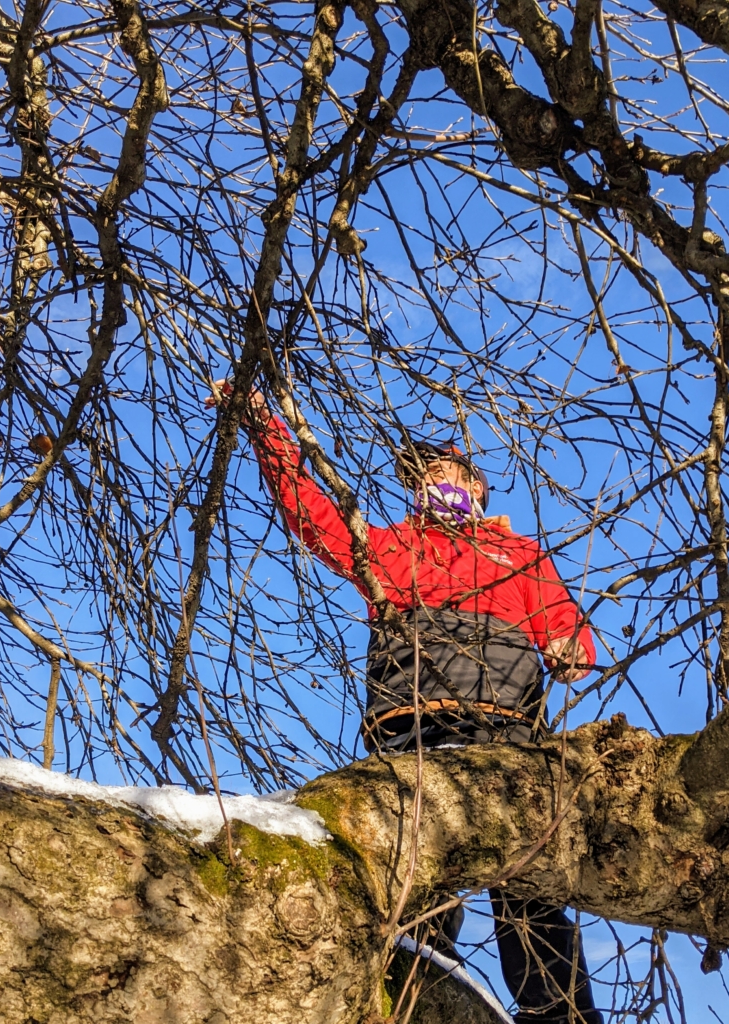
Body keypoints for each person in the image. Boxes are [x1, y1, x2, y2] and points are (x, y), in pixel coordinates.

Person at [206, 381, 603, 1024]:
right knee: (418, 898)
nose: (431, 479)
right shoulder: (390, 545)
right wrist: (265, 426)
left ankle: (560, 1018)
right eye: (422, 473)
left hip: (507, 734)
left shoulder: (521, 554)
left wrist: (570, 646)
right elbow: (314, 517)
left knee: (531, 892)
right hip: (414, 732)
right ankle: (414, 1005)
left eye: (443, 469)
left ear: (476, 485)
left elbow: (566, 624)